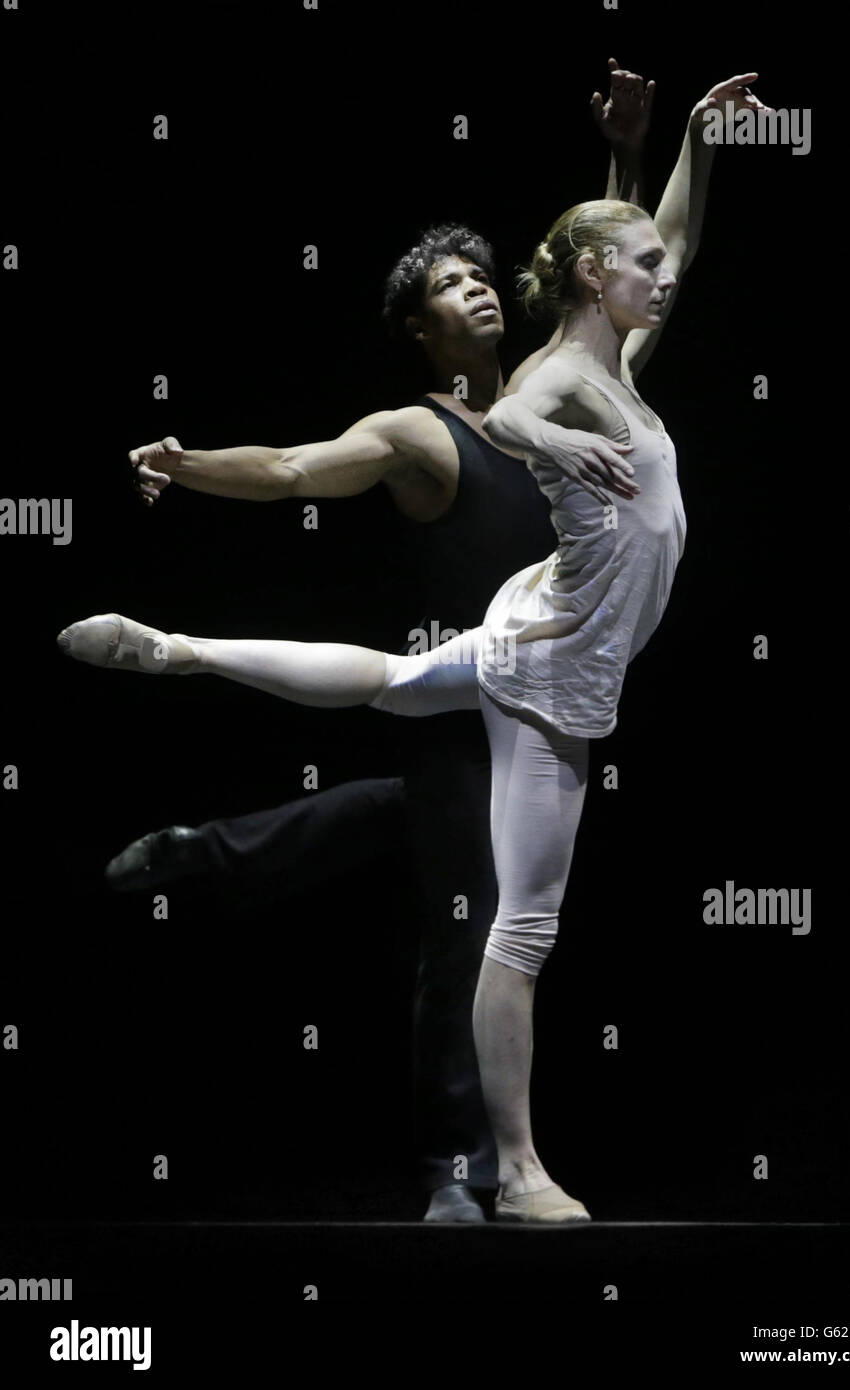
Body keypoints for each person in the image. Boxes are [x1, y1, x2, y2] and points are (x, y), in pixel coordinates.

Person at [57, 71, 767, 1220]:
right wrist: (188, 465)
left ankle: (186, 668)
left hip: (526, 632)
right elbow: (297, 468)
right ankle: (480, 1166)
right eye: (448, 287)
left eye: (482, 274)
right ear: (417, 329)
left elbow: (635, 262)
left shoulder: (594, 368)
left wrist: (657, 148)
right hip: (539, 668)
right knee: (487, 920)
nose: (476, 291)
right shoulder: (436, 423)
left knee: (392, 717)